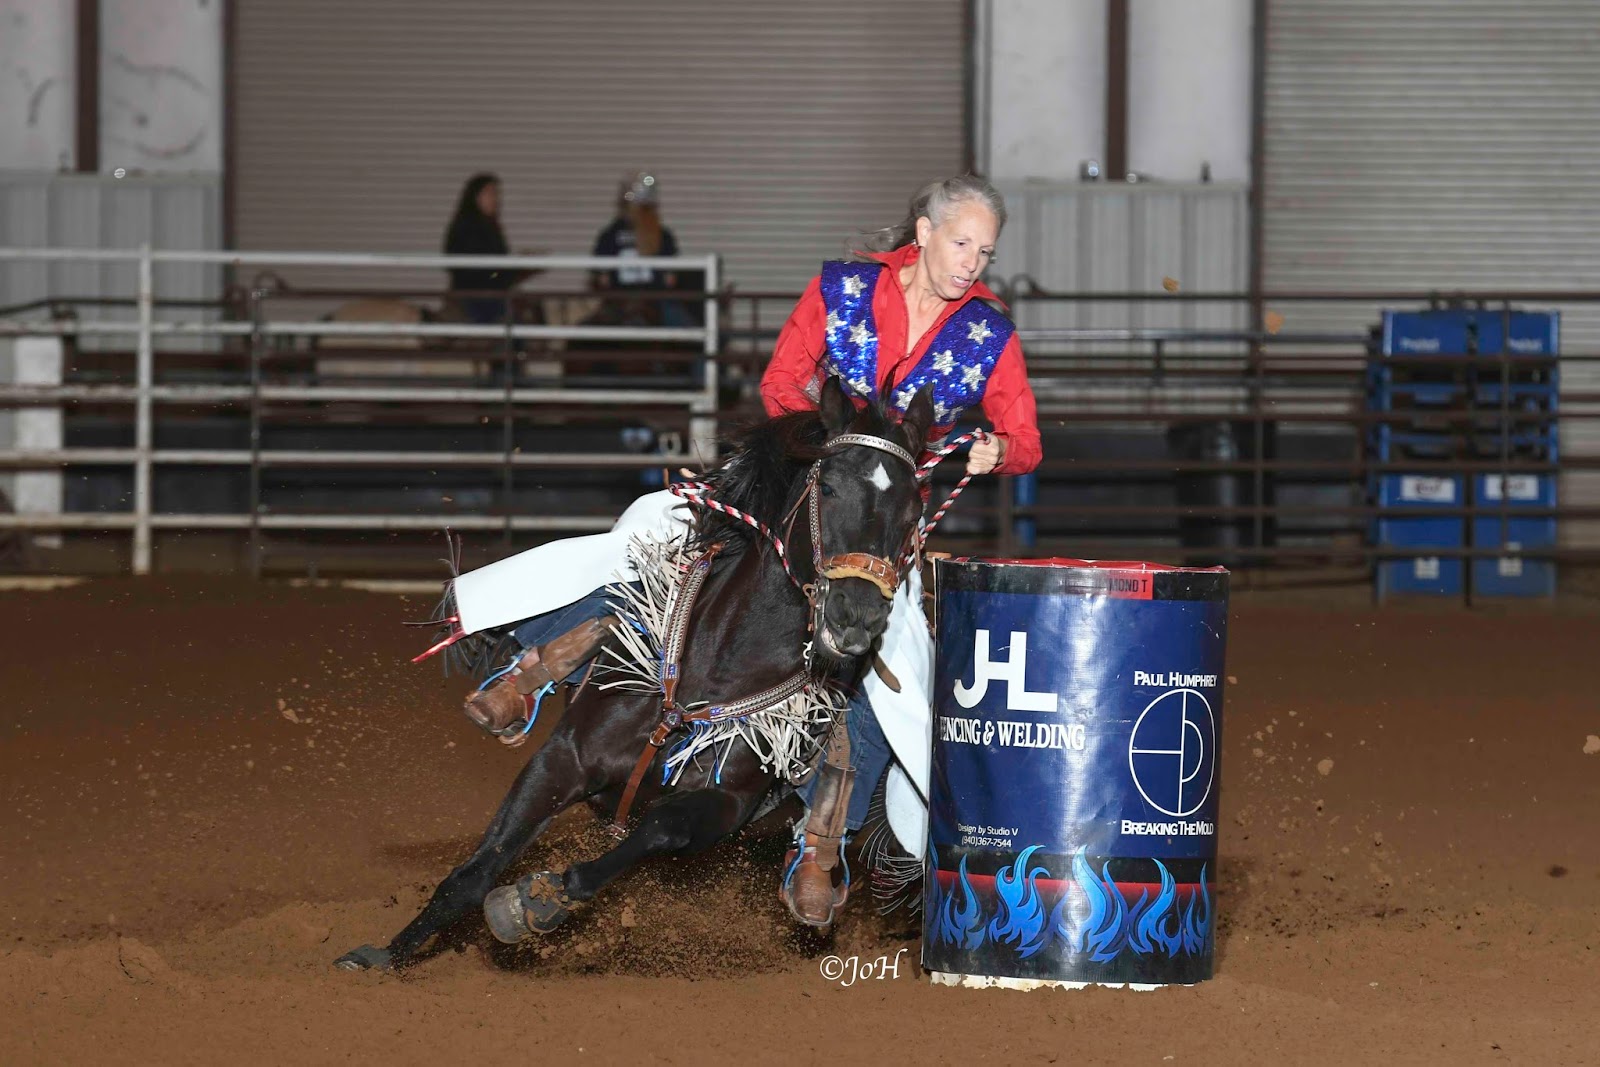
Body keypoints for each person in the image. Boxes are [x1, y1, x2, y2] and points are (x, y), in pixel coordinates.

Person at [444, 174, 1041, 930]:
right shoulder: (847, 287)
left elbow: (1027, 437)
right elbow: (782, 380)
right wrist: (829, 451)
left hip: (879, 529)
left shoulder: (988, 332)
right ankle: (536, 666)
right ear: (922, 232)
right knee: (652, 526)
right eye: (962, 243)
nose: (972, 263)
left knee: (901, 677)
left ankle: (820, 839)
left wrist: (998, 450)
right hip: (799, 481)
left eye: (984, 251)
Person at [589, 170, 698, 329]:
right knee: (694, 334)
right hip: (654, 301)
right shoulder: (662, 235)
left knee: (588, 333)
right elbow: (670, 279)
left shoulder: (610, 234)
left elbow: (602, 279)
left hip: (620, 301)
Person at [442, 173, 538, 325]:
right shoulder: (468, 227)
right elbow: (482, 271)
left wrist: (516, 267)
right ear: (475, 196)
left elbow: (496, 269)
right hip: (478, 298)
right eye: (490, 193)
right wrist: (511, 269)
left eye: (496, 193)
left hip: (492, 294)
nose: (495, 199)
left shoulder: (490, 227)